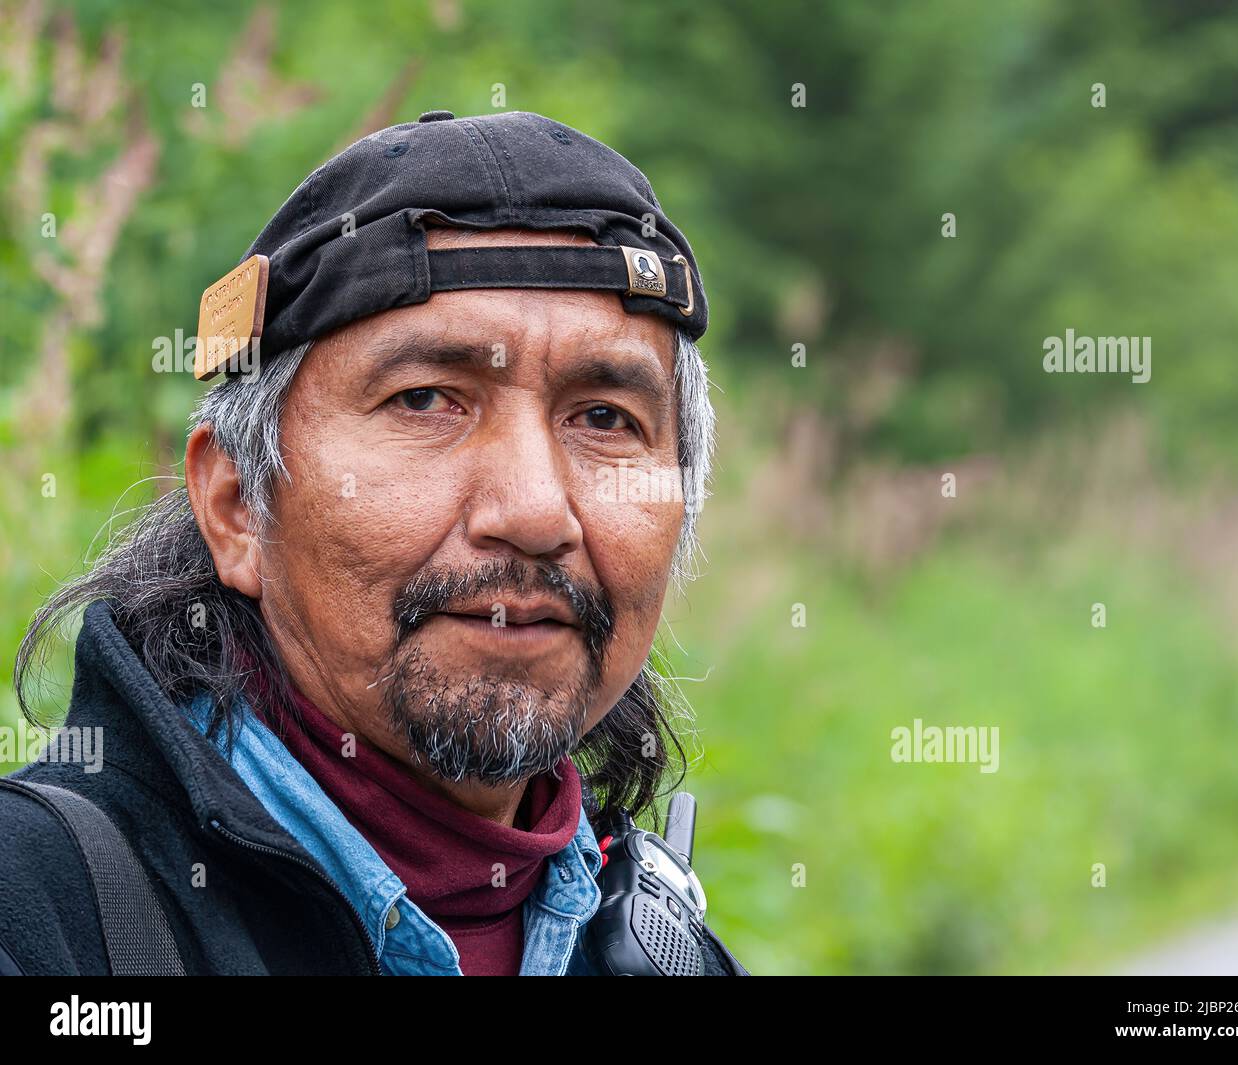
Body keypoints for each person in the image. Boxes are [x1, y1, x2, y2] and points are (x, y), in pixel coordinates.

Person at [0, 109, 742, 976]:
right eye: (426, 400)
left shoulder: (663, 944)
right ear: (238, 505)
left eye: (605, 418)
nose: (537, 510)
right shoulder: (44, 925)